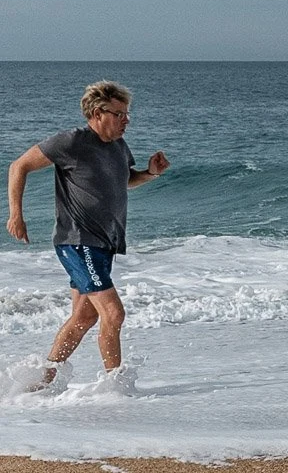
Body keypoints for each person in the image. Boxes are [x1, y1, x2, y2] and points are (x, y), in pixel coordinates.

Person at [6, 80, 169, 384]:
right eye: (119, 114)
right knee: (114, 314)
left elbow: (124, 180)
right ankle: (116, 387)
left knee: (84, 317)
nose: (126, 120)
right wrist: (16, 214)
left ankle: (43, 379)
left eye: (127, 113)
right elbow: (19, 166)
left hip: (104, 244)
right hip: (78, 241)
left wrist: (150, 174)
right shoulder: (71, 143)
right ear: (97, 112)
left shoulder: (119, 147)